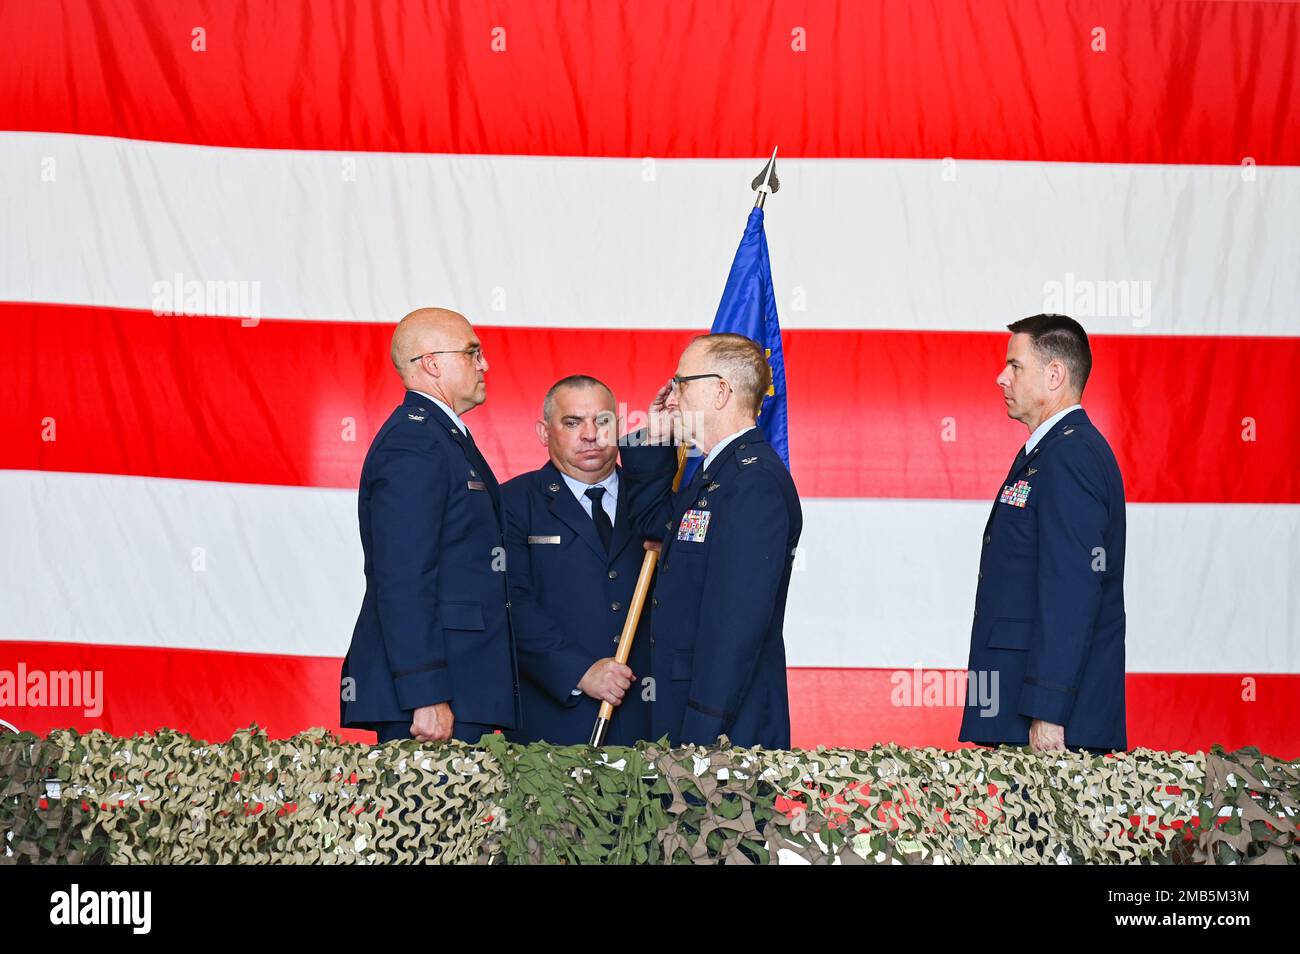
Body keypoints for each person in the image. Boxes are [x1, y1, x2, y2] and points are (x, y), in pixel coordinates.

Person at [340, 307, 519, 745]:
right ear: (432, 362)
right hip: (435, 701)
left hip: (462, 687)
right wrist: (426, 694)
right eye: (472, 352)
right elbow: (402, 577)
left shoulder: (441, 436)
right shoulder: (415, 443)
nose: (484, 364)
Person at [621, 332, 802, 749]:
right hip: (689, 710)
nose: (671, 394)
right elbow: (654, 528)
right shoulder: (714, 475)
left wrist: (703, 734)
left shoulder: (752, 481)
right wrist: (655, 437)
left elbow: (736, 622)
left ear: (720, 391)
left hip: (721, 724)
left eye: (681, 382)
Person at [959, 313, 1127, 754]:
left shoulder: (1071, 455)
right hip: (1017, 706)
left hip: (1048, 724)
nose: (1001, 377)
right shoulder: (1050, 451)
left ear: (1055, 375)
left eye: (1015, 366)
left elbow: (1072, 590)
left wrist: (1049, 711)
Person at [502, 375, 661, 745]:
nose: (591, 434)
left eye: (602, 421)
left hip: (648, 723)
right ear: (544, 432)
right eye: (573, 423)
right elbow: (511, 603)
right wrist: (580, 672)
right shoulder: (511, 502)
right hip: (551, 725)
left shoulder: (653, 500)